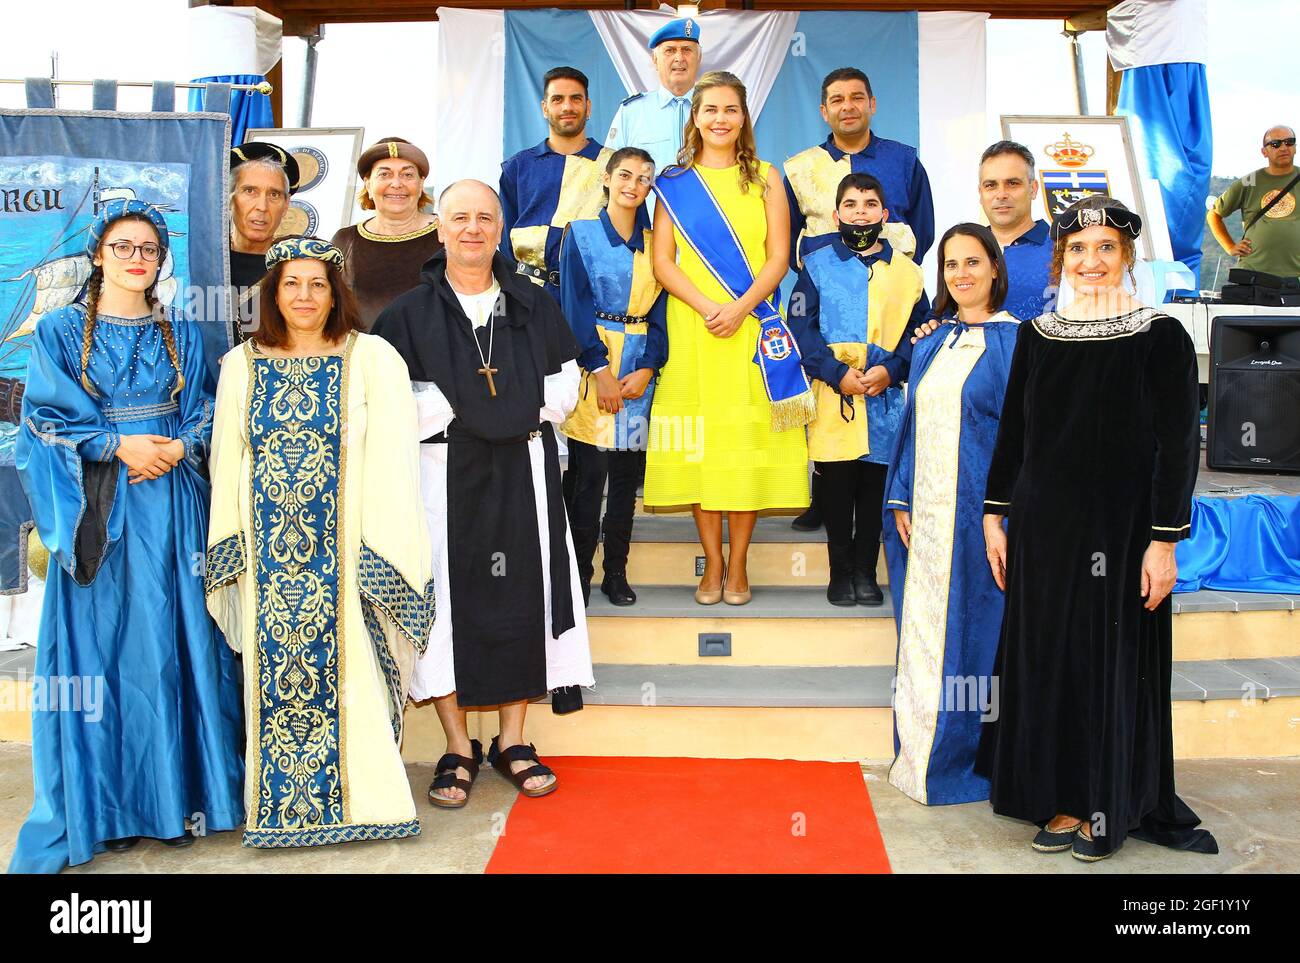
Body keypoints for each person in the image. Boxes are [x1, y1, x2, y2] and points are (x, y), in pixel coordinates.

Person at [976, 196, 1218, 862]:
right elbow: (1015, 437)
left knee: (1106, 666)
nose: (1091, 261)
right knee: (1047, 661)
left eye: (1106, 247)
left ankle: (1104, 801)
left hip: (1123, 534)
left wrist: (1164, 541)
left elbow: (1178, 448)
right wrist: (995, 518)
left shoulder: (1160, 335)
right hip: (1042, 531)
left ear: (1127, 256)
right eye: (1078, 250)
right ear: (1062, 258)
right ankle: (1055, 793)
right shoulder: (1037, 335)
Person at [9, 199, 243, 873]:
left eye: (148, 249)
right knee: (105, 650)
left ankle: (176, 801)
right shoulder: (57, 330)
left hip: (171, 505)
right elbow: (44, 424)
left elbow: (207, 405)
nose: (137, 258)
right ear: (99, 253)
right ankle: (107, 805)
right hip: (102, 511)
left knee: (172, 644)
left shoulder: (182, 330)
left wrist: (177, 447)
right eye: (123, 247)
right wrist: (118, 444)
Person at [205, 236, 435, 849]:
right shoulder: (241, 366)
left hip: (351, 560)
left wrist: (378, 557)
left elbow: (394, 463)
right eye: (291, 284)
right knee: (274, 686)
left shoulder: (374, 359)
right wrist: (232, 554)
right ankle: (282, 815)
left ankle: (374, 806)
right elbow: (228, 461)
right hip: (270, 568)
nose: (304, 296)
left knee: (356, 678)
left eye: (318, 284)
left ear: (336, 293)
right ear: (271, 293)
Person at [372, 180, 594, 807]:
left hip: (523, 470)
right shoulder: (406, 314)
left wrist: (483, 406)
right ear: (437, 228)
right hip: (441, 477)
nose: (472, 228)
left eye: (485, 217)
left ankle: (514, 740)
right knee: (446, 599)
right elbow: (392, 404)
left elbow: (564, 388)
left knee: (524, 594)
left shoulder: (533, 303)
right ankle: (457, 745)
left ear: (500, 228)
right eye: (459, 218)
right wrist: (466, 409)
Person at [646, 71, 811, 606]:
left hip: (751, 327)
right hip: (694, 330)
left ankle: (739, 563)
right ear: (695, 117)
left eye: (731, 109)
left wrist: (739, 308)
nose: (720, 118)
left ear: (744, 118)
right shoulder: (672, 184)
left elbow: (778, 258)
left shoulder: (767, 178)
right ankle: (711, 562)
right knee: (699, 445)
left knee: (745, 446)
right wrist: (709, 307)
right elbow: (662, 262)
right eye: (710, 109)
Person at [882, 223, 1020, 806]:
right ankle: (916, 757)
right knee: (920, 637)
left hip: (981, 518)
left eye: (973, 262)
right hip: (924, 519)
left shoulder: (1020, 342)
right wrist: (901, 494)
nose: (961, 274)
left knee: (974, 637)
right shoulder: (932, 340)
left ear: (995, 268)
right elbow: (909, 424)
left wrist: (1005, 515)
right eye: (951, 265)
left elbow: (1023, 439)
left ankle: (969, 763)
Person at [790, 173, 927, 607]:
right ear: (836, 214)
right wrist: (834, 372)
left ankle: (867, 571)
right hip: (835, 394)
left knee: (874, 489)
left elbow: (919, 332)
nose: (860, 212)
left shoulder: (908, 273)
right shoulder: (815, 265)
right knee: (836, 486)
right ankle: (840, 571)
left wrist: (894, 369)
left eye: (870, 204)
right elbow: (800, 327)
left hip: (883, 394)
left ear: (884, 215)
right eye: (851, 204)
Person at [559, 147, 666, 607]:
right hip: (594, 367)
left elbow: (664, 309)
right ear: (607, 179)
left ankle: (615, 571)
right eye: (625, 174)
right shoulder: (579, 235)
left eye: (644, 178)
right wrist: (598, 368)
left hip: (638, 371)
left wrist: (647, 366)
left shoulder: (658, 241)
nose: (633, 184)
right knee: (589, 476)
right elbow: (572, 305)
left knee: (626, 477)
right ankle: (577, 572)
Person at [784, 67, 935, 270]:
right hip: (824, 294)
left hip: (892, 291)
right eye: (837, 100)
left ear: (872, 104)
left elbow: (923, 230)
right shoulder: (800, 170)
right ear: (824, 112)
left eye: (857, 98)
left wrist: (896, 274)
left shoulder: (903, 161)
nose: (848, 106)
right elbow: (788, 239)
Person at [500, 66, 612, 302]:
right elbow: (504, 243)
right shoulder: (518, 168)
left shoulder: (614, 167)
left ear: (588, 107)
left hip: (595, 300)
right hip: (530, 300)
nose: (567, 107)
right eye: (557, 99)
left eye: (576, 99)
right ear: (545, 108)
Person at [330, 137, 443, 329]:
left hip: (437, 355)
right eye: (385, 175)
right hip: (366, 356)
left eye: (407, 175)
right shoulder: (345, 241)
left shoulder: (448, 232)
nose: (397, 183)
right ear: (368, 184)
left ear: (421, 183)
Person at [606, 17, 703, 176]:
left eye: (686, 49)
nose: (679, 58)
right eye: (670, 50)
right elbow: (610, 170)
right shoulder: (631, 112)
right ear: (655, 59)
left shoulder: (713, 110)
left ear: (699, 58)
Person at [229, 143, 300, 344]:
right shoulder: (202, 262)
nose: (262, 206)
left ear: (286, 206)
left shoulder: (296, 267)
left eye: (274, 194)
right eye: (250, 191)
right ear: (230, 198)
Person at [1208, 125, 1300, 280]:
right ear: (1264, 152)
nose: (1284, 147)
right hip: (1254, 273)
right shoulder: (1249, 182)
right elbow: (1214, 214)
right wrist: (1230, 247)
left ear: (1295, 147)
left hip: (1296, 276)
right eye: (1276, 144)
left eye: (1289, 142)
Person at [978, 140, 1053, 320]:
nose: (1001, 194)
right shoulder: (965, 248)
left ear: (1033, 189)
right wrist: (933, 324)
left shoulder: (1063, 249)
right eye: (991, 185)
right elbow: (943, 311)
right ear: (980, 193)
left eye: (1012, 183)